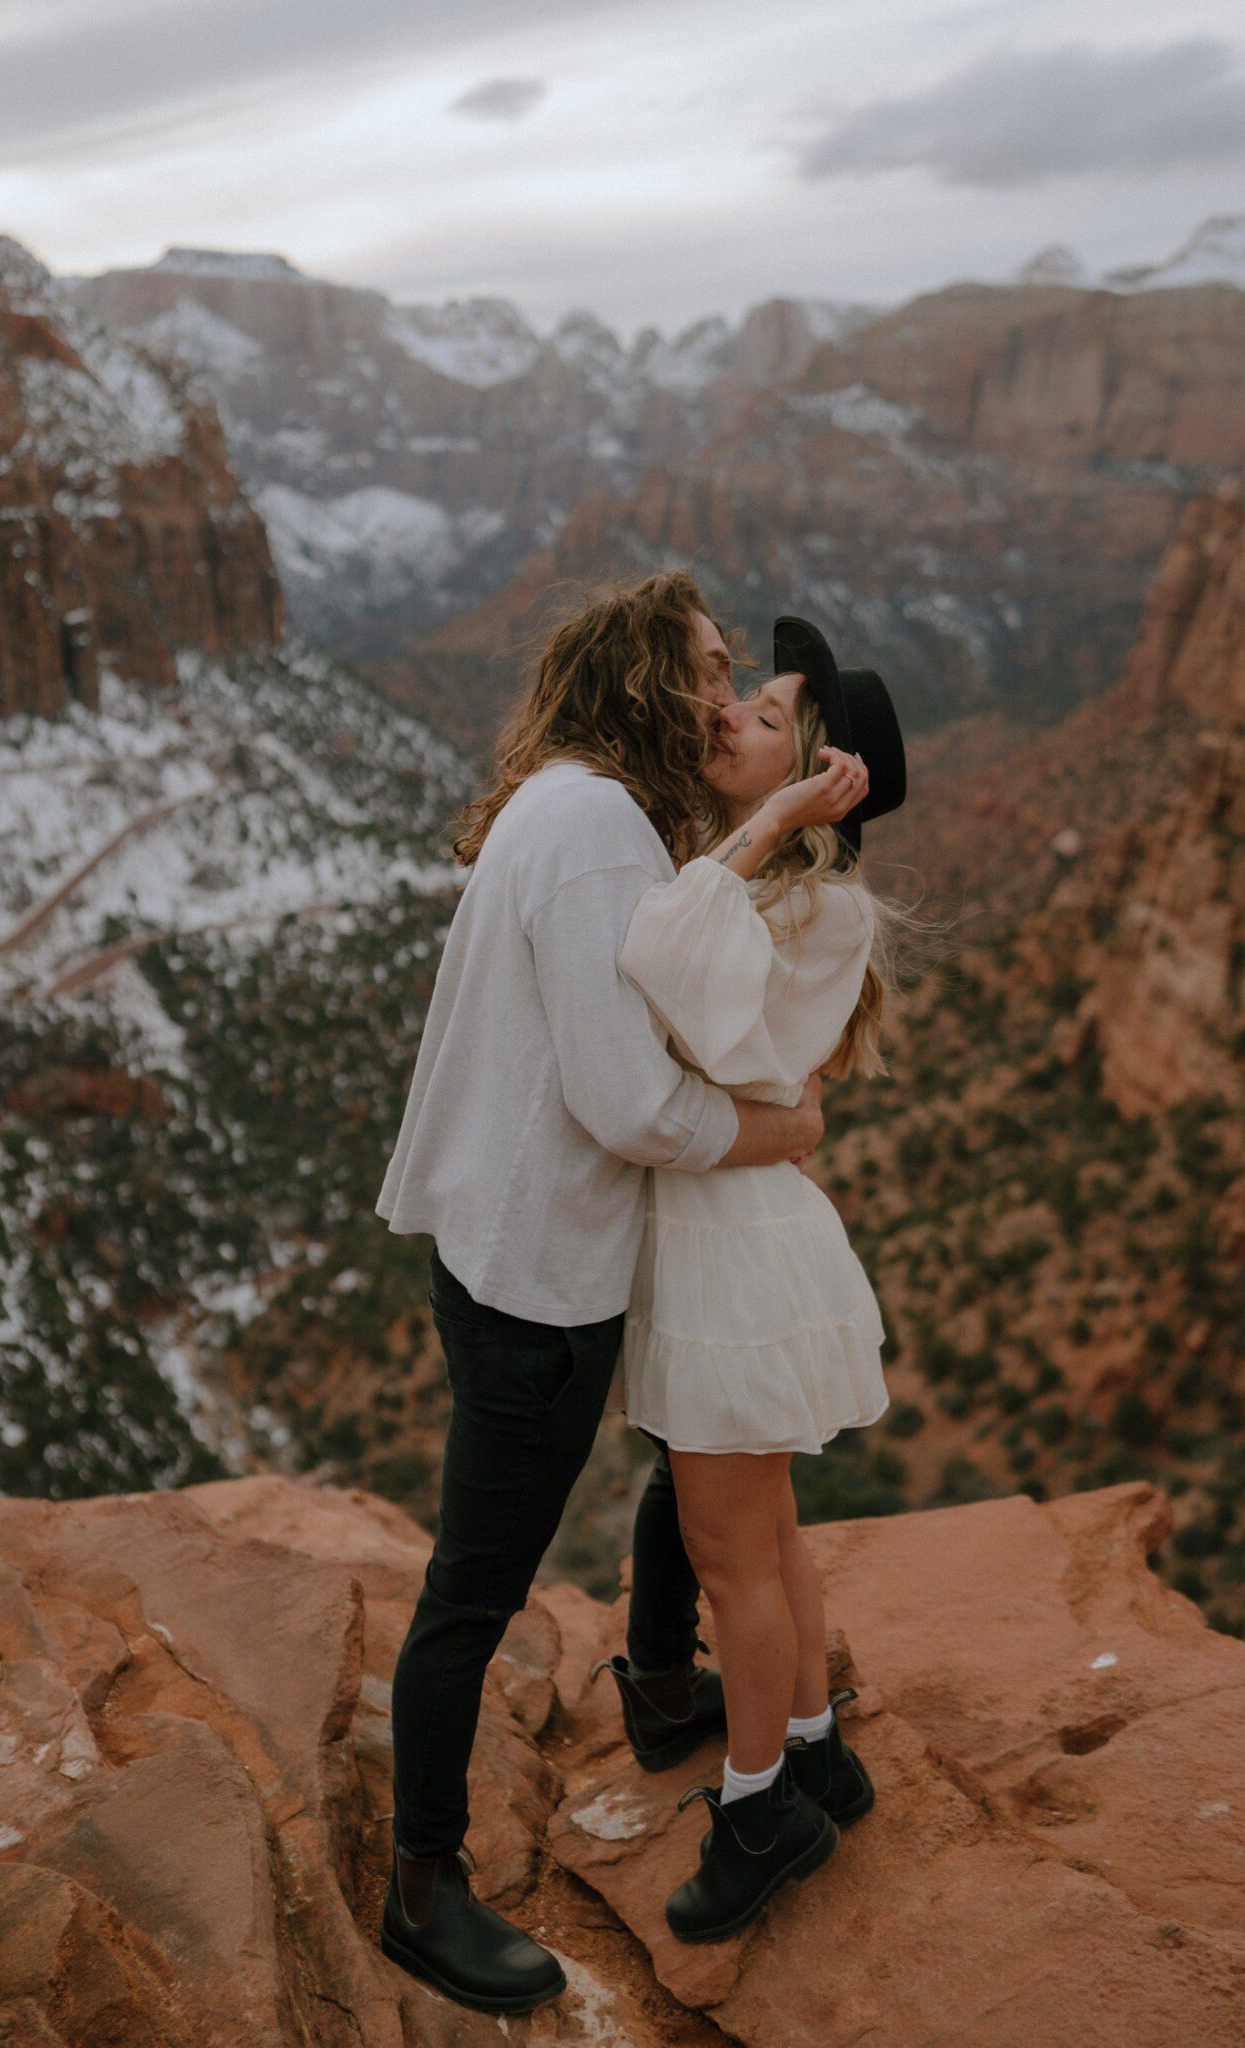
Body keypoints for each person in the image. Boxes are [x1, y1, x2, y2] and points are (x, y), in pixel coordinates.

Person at [373, 576, 867, 2014]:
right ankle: (421, 1884)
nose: (723, 698)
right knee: (474, 1588)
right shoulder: (594, 831)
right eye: (709, 673)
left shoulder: (575, 802)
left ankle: (664, 1692)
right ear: (647, 678)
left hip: (524, 1245)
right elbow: (624, 1102)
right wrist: (774, 1134)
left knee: (693, 1460)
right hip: (539, 1275)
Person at [610, 615, 906, 1942]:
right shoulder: (807, 901)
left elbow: (658, 952)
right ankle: (814, 1748)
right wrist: (771, 817)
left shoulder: (793, 896)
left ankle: (757, 1807)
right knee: (767, 1534)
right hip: (747, 1226)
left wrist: (767, 819)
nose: (732, 717)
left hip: (732, 1254)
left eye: (771, 717)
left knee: (732, 1561)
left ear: (821, 780)